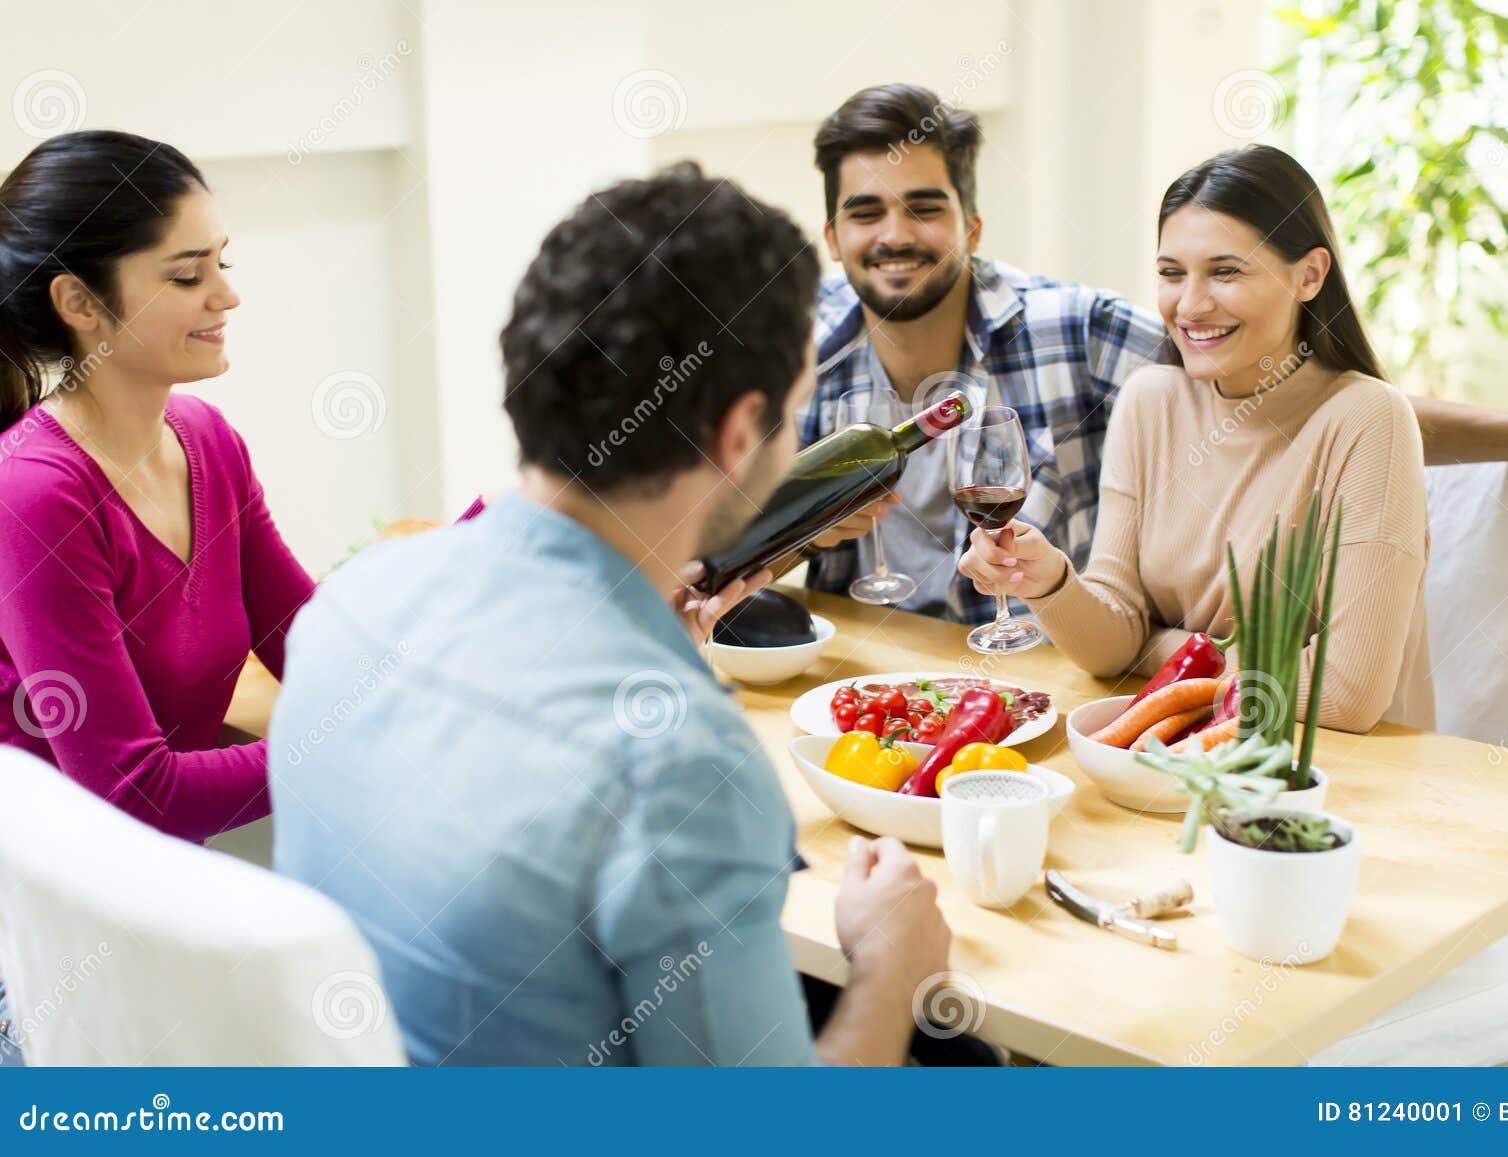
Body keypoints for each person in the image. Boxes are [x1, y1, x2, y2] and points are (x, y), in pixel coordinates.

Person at [269, 164, 952, 1066]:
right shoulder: (680, 764)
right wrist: (890, 967)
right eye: (794, 416)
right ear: (741, 434)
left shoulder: (350, 604)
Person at [802, 85, 1508, 673]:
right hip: (864, 671)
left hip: (1057, 689)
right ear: (833, 236)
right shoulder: (797, 352)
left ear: (971, 227)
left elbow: (1299, 400)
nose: (896, 235)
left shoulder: (1072, 329)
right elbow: (708, 520)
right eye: (867, 213)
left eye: (924, 208)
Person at [960, 146, 1431, 731]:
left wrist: (1164, 651)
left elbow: (1346, 694)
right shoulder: (1150, 400)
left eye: (1226, 271)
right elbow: (1111, 646)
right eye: (1171, 273)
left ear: (1309, 275)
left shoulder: (1367, 419)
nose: (1190, 305)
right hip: (1176, 750)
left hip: (1335, 778)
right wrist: (1051, 581)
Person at [0, 131, 314, 839]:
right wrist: (346, 751)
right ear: (79, 302)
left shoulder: (209, 440)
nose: (227, 295)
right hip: (57, 900)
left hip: (160, 875)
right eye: (187, 275)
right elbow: (133, 791)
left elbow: (315, 647)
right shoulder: (32, 493)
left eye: (222, 262)